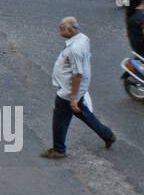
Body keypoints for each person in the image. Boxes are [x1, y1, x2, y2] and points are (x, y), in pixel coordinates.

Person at [41, 17, 115, 158]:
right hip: (77, 88)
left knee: (60, 118)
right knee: (81, 112)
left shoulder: (75, 49)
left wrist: (73, 97)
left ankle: (59, 150)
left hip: (70, 90)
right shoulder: (83, 38)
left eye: (61, 28)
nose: (59, 31)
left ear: (70, 29)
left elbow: (77, 74)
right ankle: (107, 135)